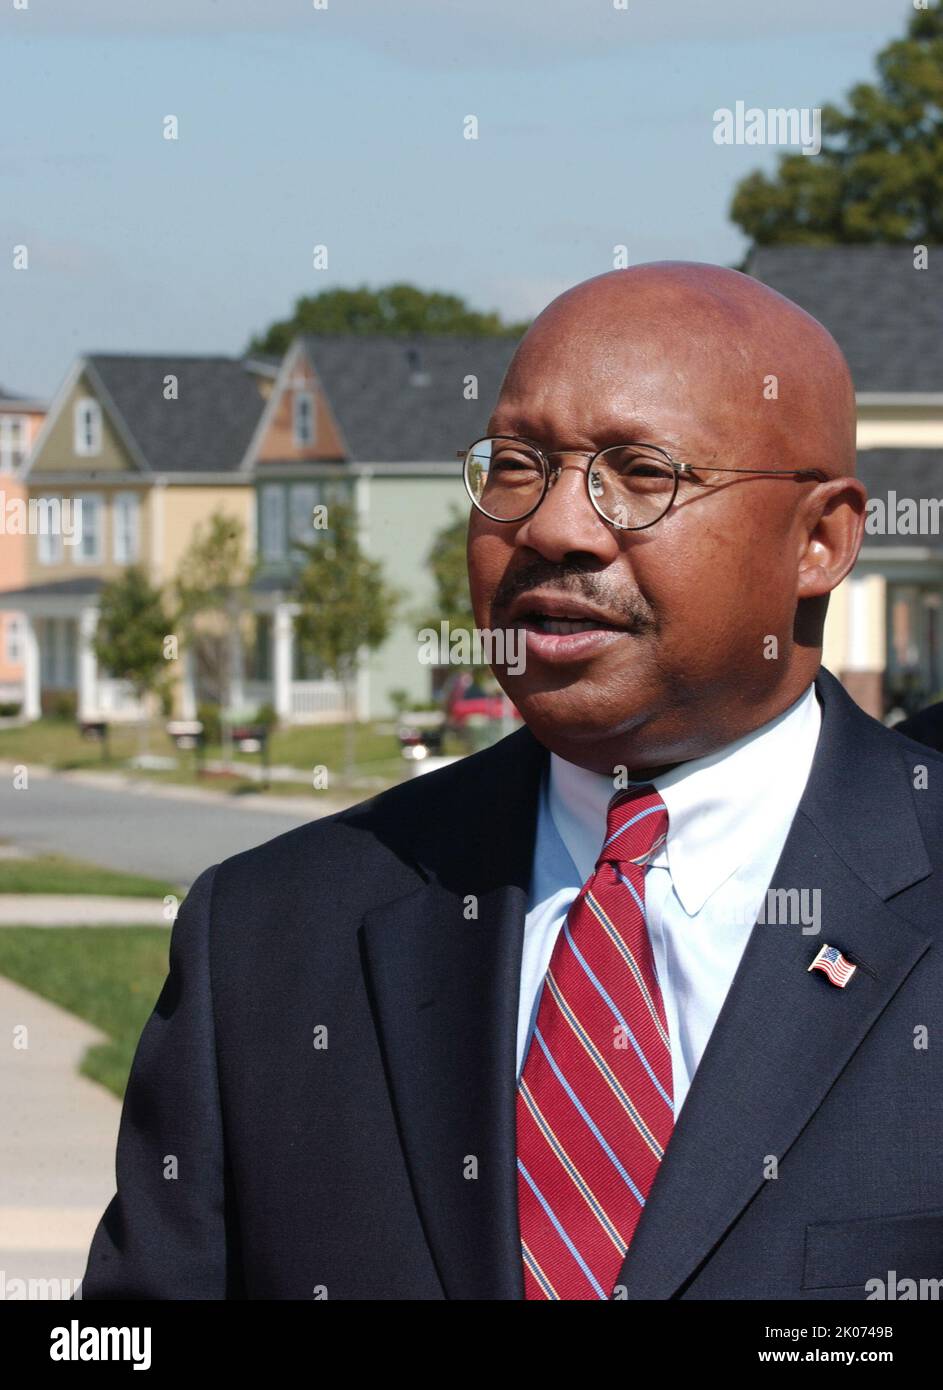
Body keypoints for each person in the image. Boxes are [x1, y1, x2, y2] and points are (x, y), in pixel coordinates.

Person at [78, 263, 943, 1301]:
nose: (549, 527)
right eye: (517, 465)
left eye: (638, 471)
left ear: (820, 540)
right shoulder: (268, 938)